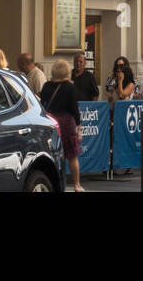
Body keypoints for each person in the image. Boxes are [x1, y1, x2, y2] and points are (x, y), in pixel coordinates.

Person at [40, 60, 84, 192]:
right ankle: (77, 185)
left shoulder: (46, 86)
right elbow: (74, 110)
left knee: (53, 155)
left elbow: (42, 104)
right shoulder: (70, 87)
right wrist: (79, 129)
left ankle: (55, 183)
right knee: (72, 155)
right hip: (67, 123)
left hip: (51, 122)